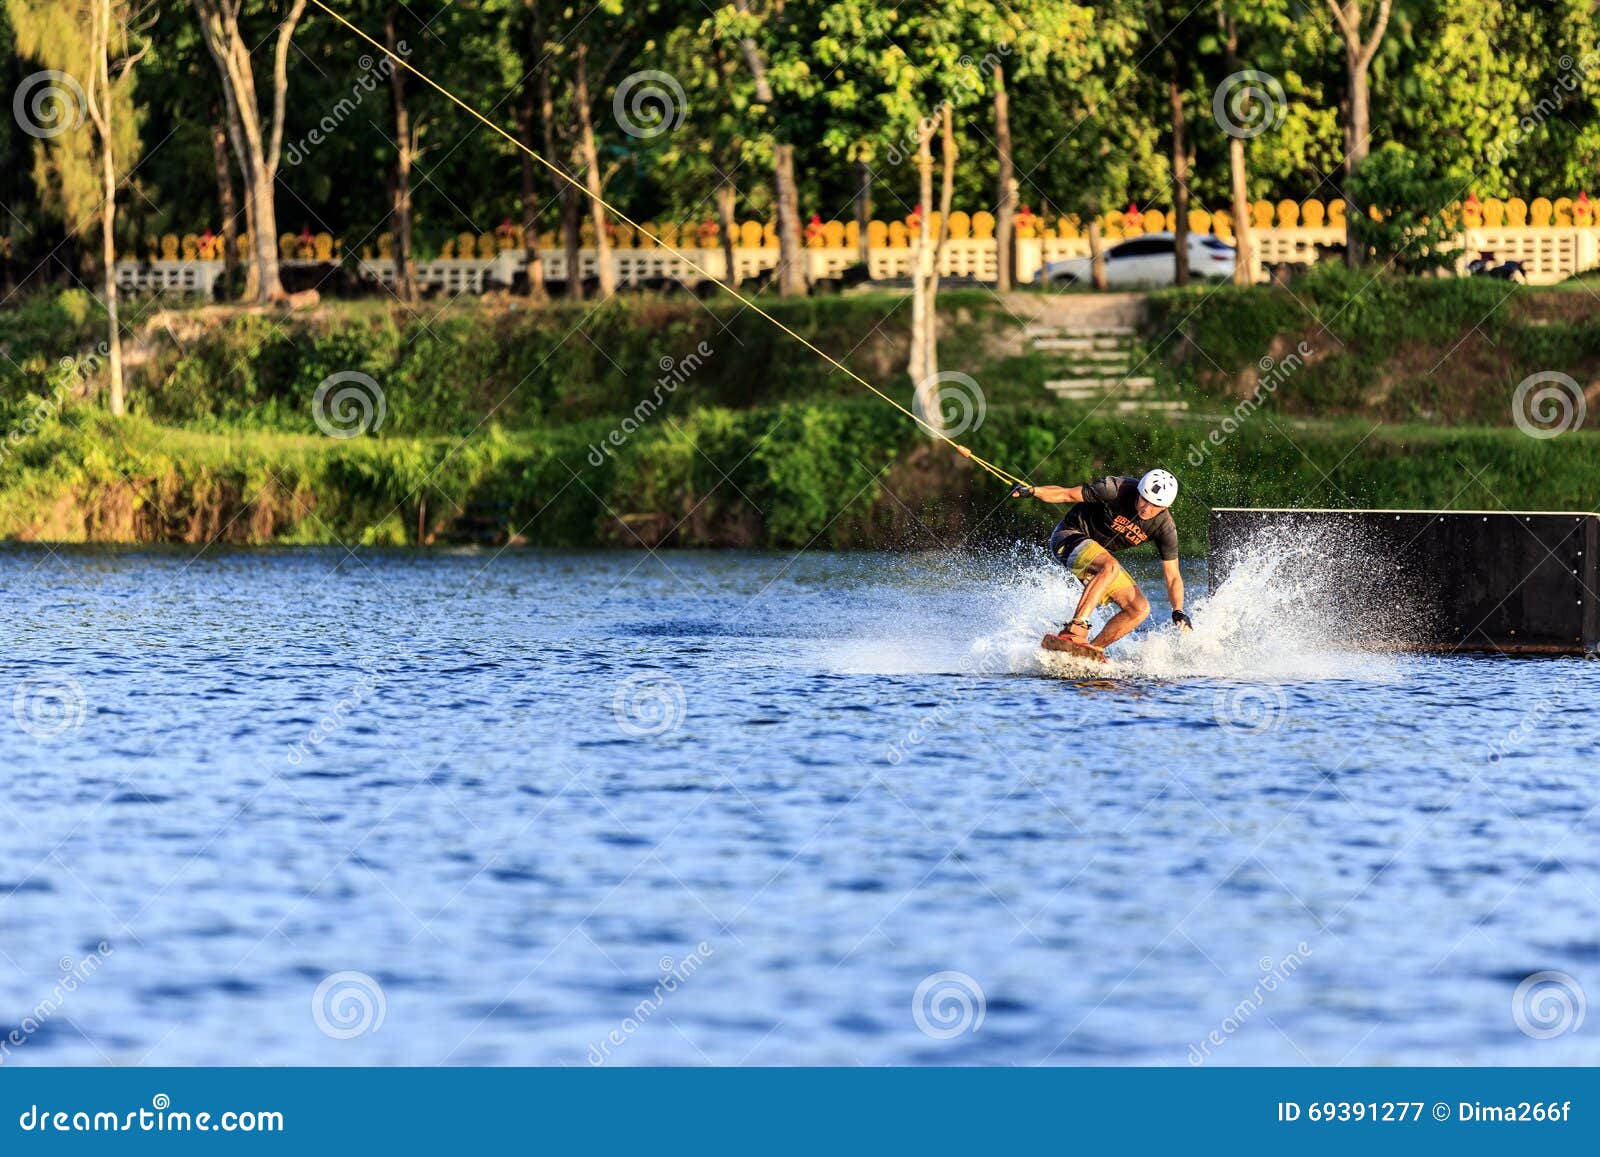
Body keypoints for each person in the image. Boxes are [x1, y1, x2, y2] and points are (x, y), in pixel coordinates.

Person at [1011, 468, 1192, 652]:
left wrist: (1178, 610)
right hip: (1068, 537)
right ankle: (1075, 631)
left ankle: (1089, 650)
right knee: (1110, 566)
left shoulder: (1165, 528)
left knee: (1139, 608)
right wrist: (1033, 491)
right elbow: (1067, 494)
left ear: (1165, 508)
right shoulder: (1114, 489)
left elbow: (1173, 576)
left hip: (1099, 559)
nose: (1146, 508)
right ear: (1138, 490)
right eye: (1144, 499)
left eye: (1155, 506)